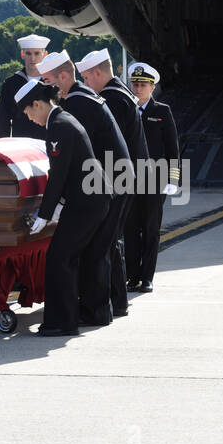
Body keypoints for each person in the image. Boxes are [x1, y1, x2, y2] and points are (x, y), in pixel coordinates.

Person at [40, 50, 129, 326]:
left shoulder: (77, 104)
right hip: (115, 179)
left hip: (106, 182)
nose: (44, 87)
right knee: (106, 246)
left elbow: (73, 156)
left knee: (97, 250)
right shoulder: (82, 96)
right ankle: (114, 303)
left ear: (64, 77)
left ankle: (96, 311)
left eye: (47, 80)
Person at [20, 79, 110, 337]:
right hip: (92, 198)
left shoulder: (58, 127)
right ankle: (93, 313)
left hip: (86, 203)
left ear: (37, 104)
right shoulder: (64, 120)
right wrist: (56, 206)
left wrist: (45, 214)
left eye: (28, 112)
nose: (29, 118)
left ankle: (61, 322)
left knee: (60, 258)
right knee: (80, 257)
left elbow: (58, 175)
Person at [78, 49, 145, 319]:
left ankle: (107, 302)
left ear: (97, 73)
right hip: (126, 176)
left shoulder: (110, 99)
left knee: (104, 243)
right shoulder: (121, 92)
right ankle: (118, 301)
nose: (84, 82)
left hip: (115, 178)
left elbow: (106, 144)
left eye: (85, 76)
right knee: (112, 241)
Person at [125, 62, 180, 292]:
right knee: (129, 230)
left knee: (150, 230)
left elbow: (173, 148)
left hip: (155, 181)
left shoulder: (162, 111)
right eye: (134, 84)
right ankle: (132, 276)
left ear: (152, 86)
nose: (137, 88)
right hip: (128, 180)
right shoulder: (126, 110)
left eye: (142, 85)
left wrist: (173, 180)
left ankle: (147, 277)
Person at [0, 34, 50, 139]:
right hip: (20, 143)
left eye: (37, 53)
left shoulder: (51, 82)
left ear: (45, 54)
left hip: (47, 143)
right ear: (22, 54)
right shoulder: (11, 83)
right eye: (28, 53)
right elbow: (3, 119)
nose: (32, 58)